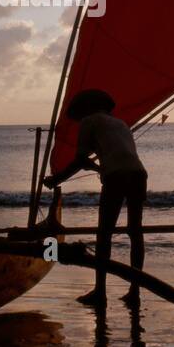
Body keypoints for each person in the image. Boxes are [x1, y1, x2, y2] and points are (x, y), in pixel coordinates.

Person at [44, 89, 148, 307]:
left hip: (117, 177)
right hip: (139, 174)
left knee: (104, 234)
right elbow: (117, 156)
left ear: (85, 110)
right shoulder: (120, 124)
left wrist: (56, 180)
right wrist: (99, 166)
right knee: (135, 232)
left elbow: (79, 160)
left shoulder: (89, 122)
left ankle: (100, 292)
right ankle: (135, 291)